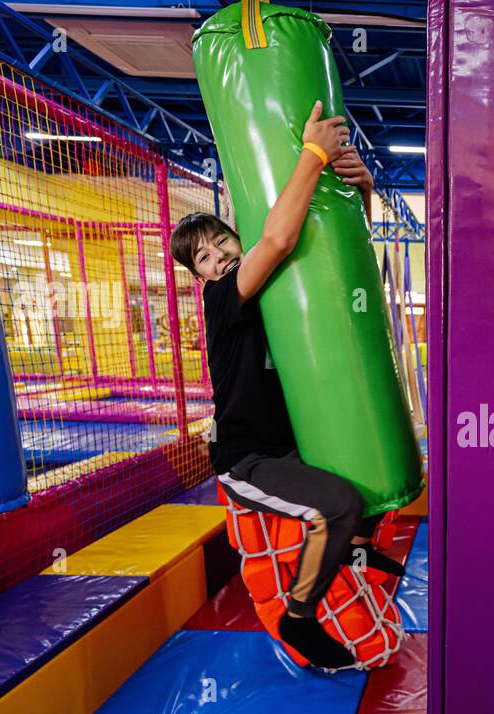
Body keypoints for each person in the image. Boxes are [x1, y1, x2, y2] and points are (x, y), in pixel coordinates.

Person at [169, 101, 401, 669]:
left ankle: (357, 551)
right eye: (203, 256)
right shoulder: (223, 298)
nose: (219, 256)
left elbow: (336, 261)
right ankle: (299, 619)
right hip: (248, 460)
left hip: (293, 440)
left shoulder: (275, 289)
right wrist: (314, 155)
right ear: (197, 275)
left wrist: (360, 192)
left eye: (222, 242)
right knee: (340, 505)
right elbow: (274, 241)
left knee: (368, 474)